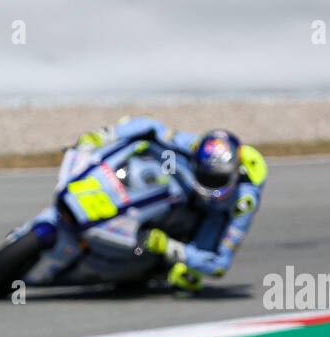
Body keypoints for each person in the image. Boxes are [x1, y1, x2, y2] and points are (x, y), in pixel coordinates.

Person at [76, 118, 267, 292]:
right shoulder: (192, 145)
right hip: (188, 183)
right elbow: (151, 126)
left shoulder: (244, 203)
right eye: (208, 176)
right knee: (148, 151)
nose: (211, 183)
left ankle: (158, 260)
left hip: (215, 213)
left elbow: (220, 264)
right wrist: (101, 136)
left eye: (217, 179)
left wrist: (169, 247)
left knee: (187, 276)